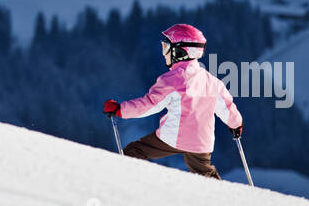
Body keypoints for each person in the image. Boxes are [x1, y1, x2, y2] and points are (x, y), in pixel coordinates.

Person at [104, 24, 242, 179]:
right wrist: (236, 125)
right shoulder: (213, 82)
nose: (164, 53)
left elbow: (149, 105)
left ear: (180, 51)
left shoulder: (171, 80)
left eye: (166, 47)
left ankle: (126, 182)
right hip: (201, 143)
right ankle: (221, 197)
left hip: (173, 138)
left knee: (134, 151)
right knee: (206, 175)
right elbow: (227, 108)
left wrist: (120, 109)